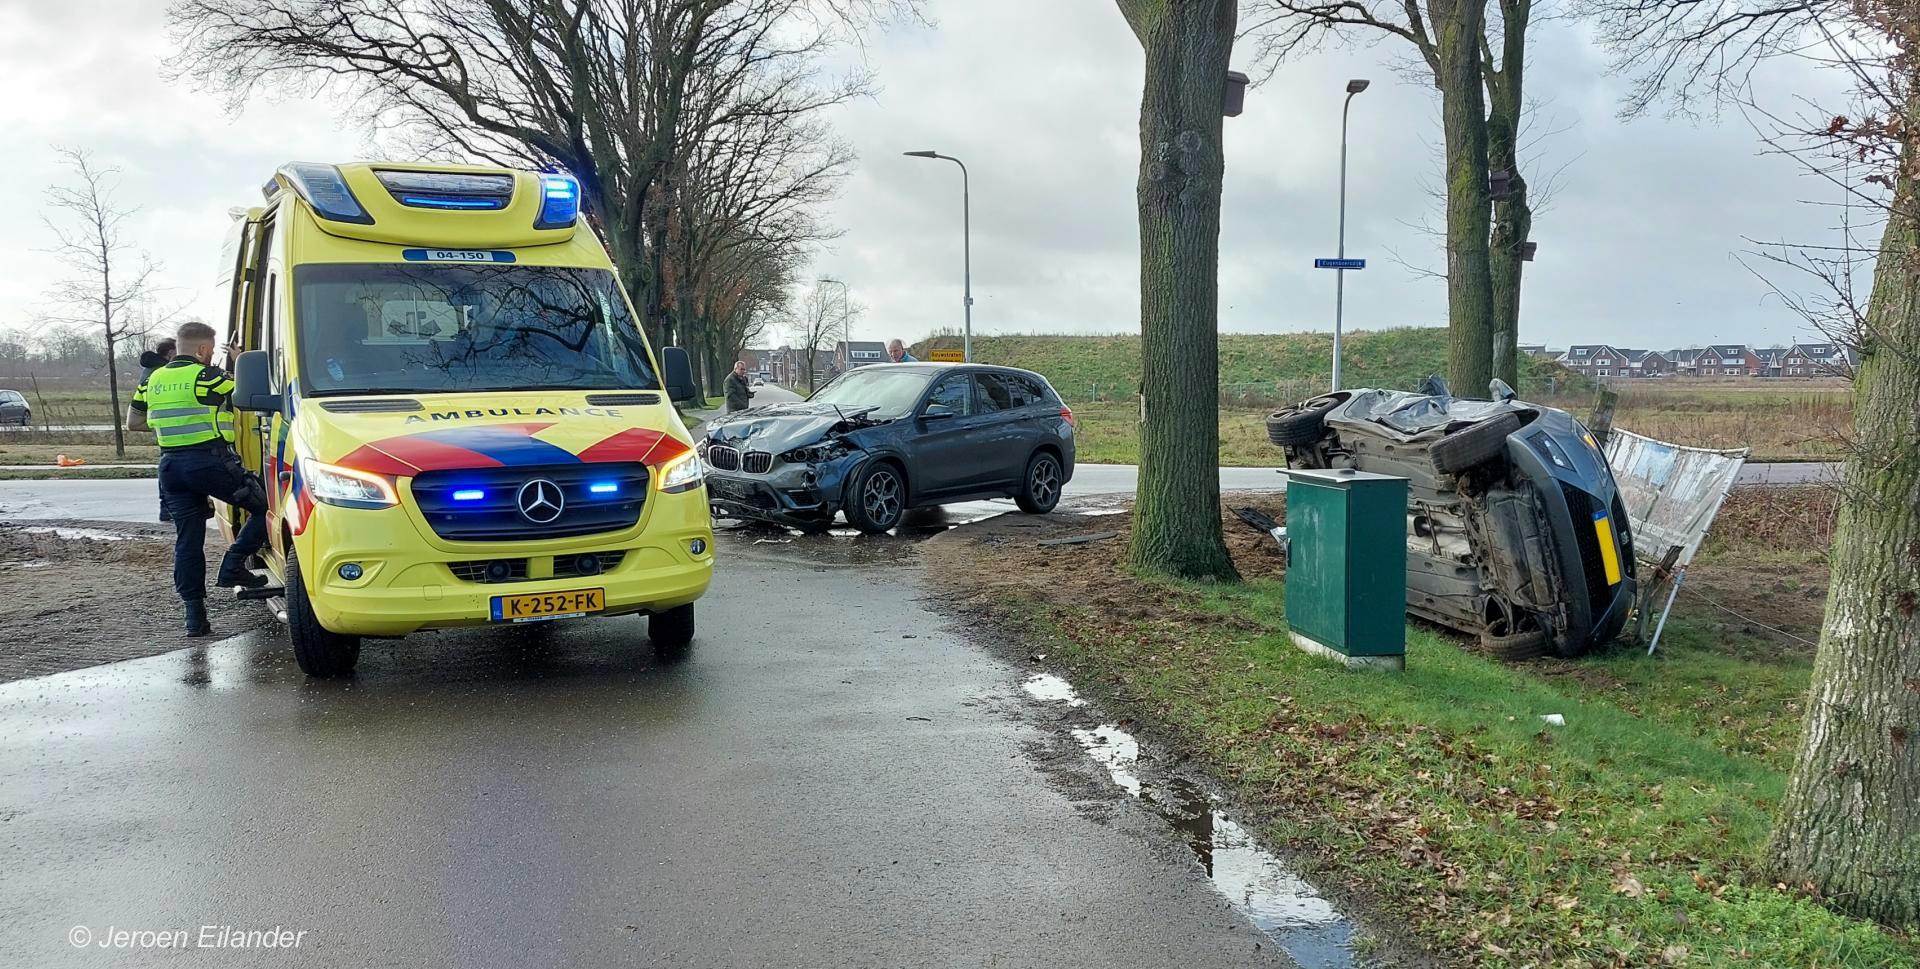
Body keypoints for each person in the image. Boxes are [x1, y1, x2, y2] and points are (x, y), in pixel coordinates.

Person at [127, 321, 269, 637]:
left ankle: (195, 618)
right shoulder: (207, 376)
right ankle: (233, 566)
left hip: (170, 467)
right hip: (209, 462)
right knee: (266, 506)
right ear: (204, 350)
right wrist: (239, 361)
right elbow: (252, 393)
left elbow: (134, 422)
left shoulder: (153, 379)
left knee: (187, 541)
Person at [138, 338, 180, 523]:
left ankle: (167, 508)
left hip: (163, 424)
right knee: (169, 467)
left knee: (168, 466)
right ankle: (168, 508)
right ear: (171, 353)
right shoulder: (160, 372)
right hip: (169, 426)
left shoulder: (151, 370)